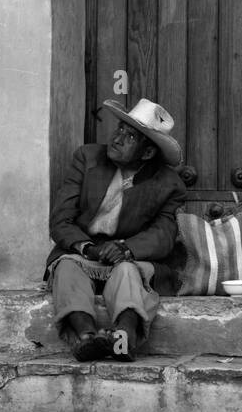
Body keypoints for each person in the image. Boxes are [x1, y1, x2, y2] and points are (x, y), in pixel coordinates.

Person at [44, 99, 186, 363]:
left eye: (130, 135)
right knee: (66, 268)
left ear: (146, 153)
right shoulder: (87, 159)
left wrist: (126, 249)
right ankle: (87, 336)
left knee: (127, 272)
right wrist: (87, 247)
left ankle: (125, 336)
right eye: (119, 129)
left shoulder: (168, 184)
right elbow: (61, 220)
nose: (118, 138)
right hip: (82, 251)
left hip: (130, 255)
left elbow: (164, 234)